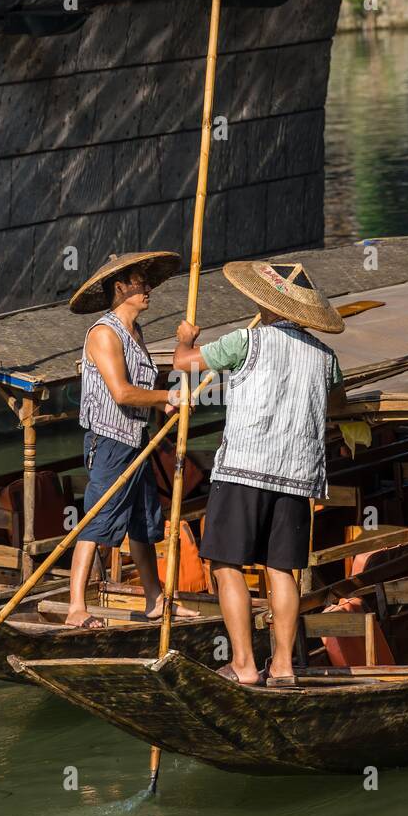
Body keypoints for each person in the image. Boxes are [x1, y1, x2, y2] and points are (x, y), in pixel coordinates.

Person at [174, 260, 346, 684]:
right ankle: (284, 666)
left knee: (226, 563)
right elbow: (338, 406)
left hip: (244, 469)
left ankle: (245, 665)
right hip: (296, 476)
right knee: (280, 569)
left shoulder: (246, 341)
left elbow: (186, 364)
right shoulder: (326, 357)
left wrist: (184, 340)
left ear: (264, 306)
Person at [66, 251, 203, 628]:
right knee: (97, 519)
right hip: (109, 439)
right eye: (140, 283)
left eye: (147, 282)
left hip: (136, 437)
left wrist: (163, 403)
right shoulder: (105, 333)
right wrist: (167, 397)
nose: (148, 290)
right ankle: (76, 605)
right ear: (119, 287)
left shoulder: (135, 333)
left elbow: (145, 388)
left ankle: (155, 599)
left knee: (145, 520)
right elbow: (122, 393)